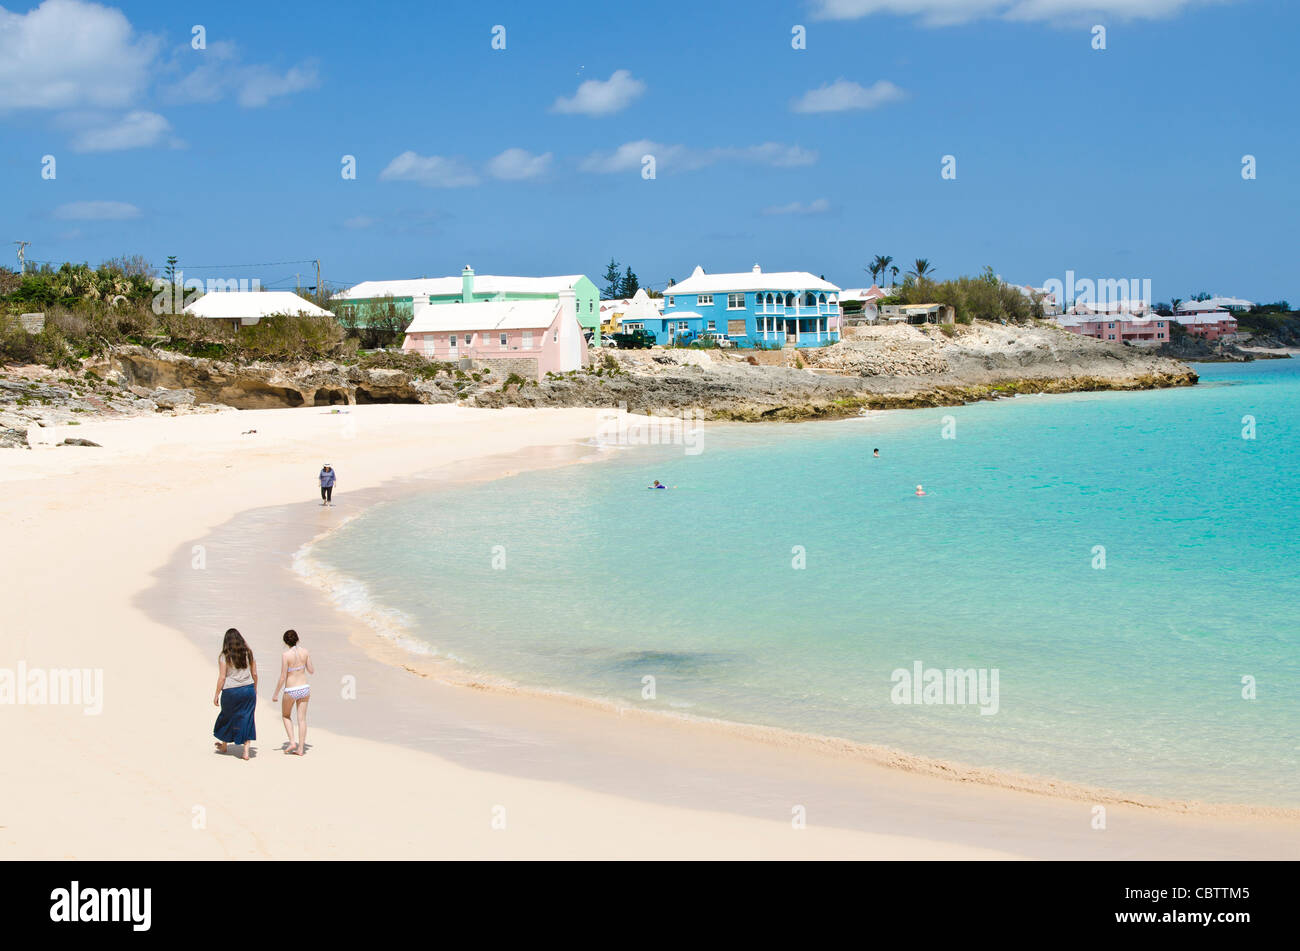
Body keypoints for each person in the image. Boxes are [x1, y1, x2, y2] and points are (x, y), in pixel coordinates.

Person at [213, 628, 257, 760]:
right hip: (248, 689)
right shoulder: (248, 653)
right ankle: (246, 751)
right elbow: (254, 673)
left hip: (231, 691)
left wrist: (216, 694)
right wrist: (255, 687)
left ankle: (224, 746)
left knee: (227, 716)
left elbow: (222, 677)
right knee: (247, 717)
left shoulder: (224, 656)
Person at [272, 629, 314, 756]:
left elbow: (283, 677)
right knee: (302, 719)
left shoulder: (286, 655)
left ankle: (292, 742)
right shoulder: (305, 652)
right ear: (297, 639)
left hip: (291, 689)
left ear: (285, 642)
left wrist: (276, 693)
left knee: (286, 715)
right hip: (304, 688)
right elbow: (311, 670)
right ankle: (301, 748)